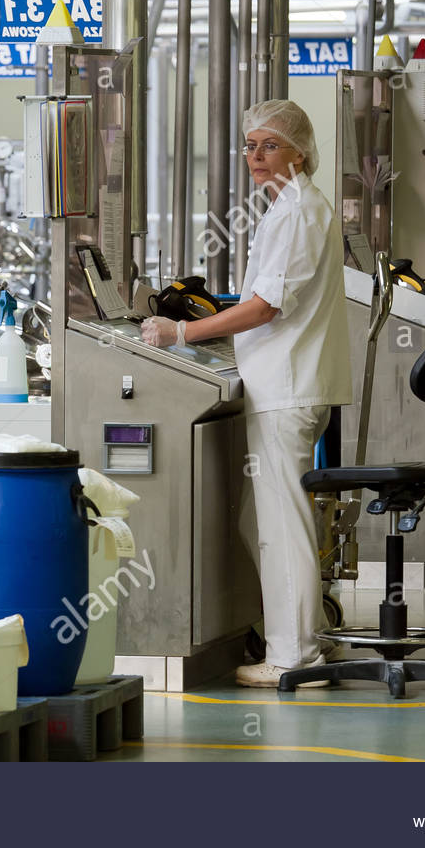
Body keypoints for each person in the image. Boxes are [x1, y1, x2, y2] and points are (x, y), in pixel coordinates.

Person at [142, 99, 352, 688]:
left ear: (299, 152)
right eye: (250, 146)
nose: (257, 157)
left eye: (270, 146)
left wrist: (182, 330)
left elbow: (264, 306)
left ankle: (295, 655)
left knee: (279, 525)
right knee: (254, 520)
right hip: (281, 383)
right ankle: (293, 632)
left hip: (287, 388)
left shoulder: (298, 214)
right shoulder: (289, 208)